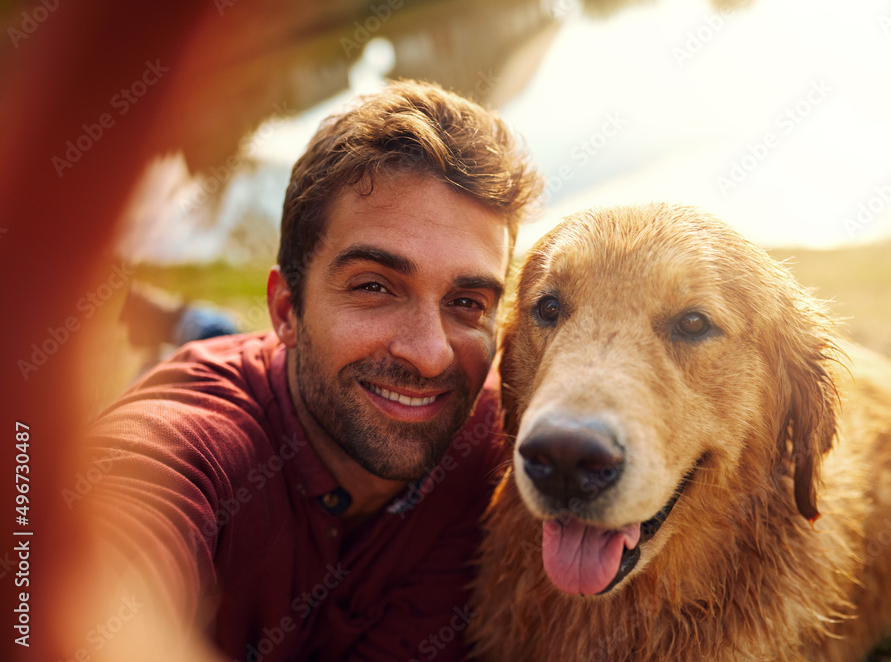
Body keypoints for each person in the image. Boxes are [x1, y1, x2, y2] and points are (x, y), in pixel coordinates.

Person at [77, 79, 543, 662]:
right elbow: (86, 573)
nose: (430, 354)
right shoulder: (196, 448)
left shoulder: (502, 445)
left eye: (467, 302)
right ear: (286, 308)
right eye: (374, 287)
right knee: (215, 343)